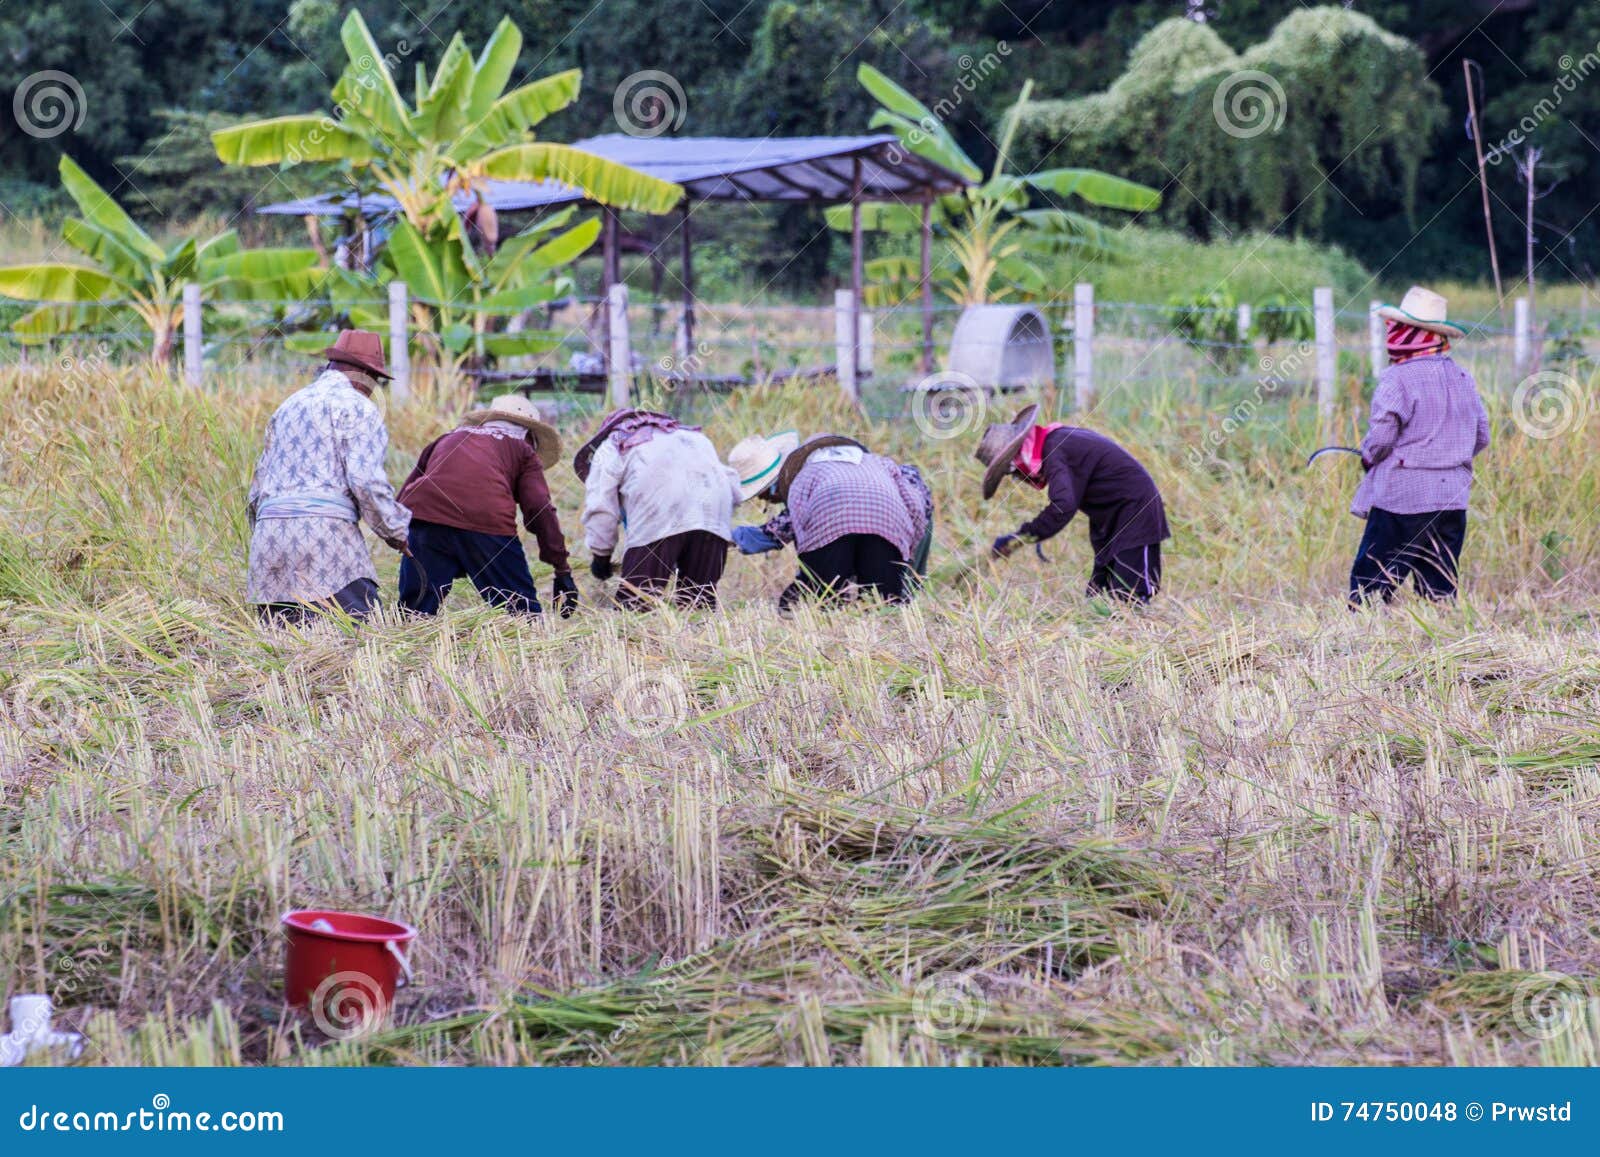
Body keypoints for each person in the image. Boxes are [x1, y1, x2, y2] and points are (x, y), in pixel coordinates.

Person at [247, 330, 411, 624]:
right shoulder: (359, 408)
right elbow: (366, 482)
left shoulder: (288, 406)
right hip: (325, 539)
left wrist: (266, 533)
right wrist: (396, 533)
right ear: (364, 375)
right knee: (361, 635)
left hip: (269, 539)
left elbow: (257, 487)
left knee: (281, 648)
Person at [1348, 286, 1490, 605]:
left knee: (1370, 588)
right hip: (1452, 497)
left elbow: (1381, 439)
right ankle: (1440, 647)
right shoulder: (1464, 377)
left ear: (1406, 332)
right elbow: (1482, 435)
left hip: (1403, 496)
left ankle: (1361, 645)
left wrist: (1369, 457)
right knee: (1439, 591)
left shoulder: (1396, 378)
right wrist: (1449, 458)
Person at [396, 394, 578, 617]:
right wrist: (561, 568)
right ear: (529, 436)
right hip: (486, 522)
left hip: (425, 518)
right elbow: (539, 508)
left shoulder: (447, 438)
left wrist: (396, 533)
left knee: (415, 612)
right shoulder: (522, 450)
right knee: (520, 612)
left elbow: (406, 492)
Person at [976, 405, 1169, 603]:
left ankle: (1135, 628)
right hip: (1110, 516)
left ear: (1016, 459)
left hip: (1135, 509)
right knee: (1098, 594)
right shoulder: (1055, 441)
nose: (1017, 478)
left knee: (1129, 594)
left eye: (1011, 472)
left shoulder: (1055, 449)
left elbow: (1063, 505)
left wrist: (1021, 537)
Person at [729, 432, 930, 610]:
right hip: (888, 517)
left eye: (761, 494)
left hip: (829, 519)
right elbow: (916, 501)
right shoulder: (877, 462)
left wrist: (729, 537)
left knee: (827, 599)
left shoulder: (807, 475)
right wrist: (909, 547)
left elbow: (780, 531)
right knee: (883, 602)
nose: (763, 500)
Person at [576, 409, 743, 609]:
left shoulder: (613, 445)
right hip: (714, 515)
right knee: (698, 605)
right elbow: (733, 487)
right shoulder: (695, 437)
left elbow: (600, 507)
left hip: (658, 516)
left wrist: (600, 556)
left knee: (636, 606)